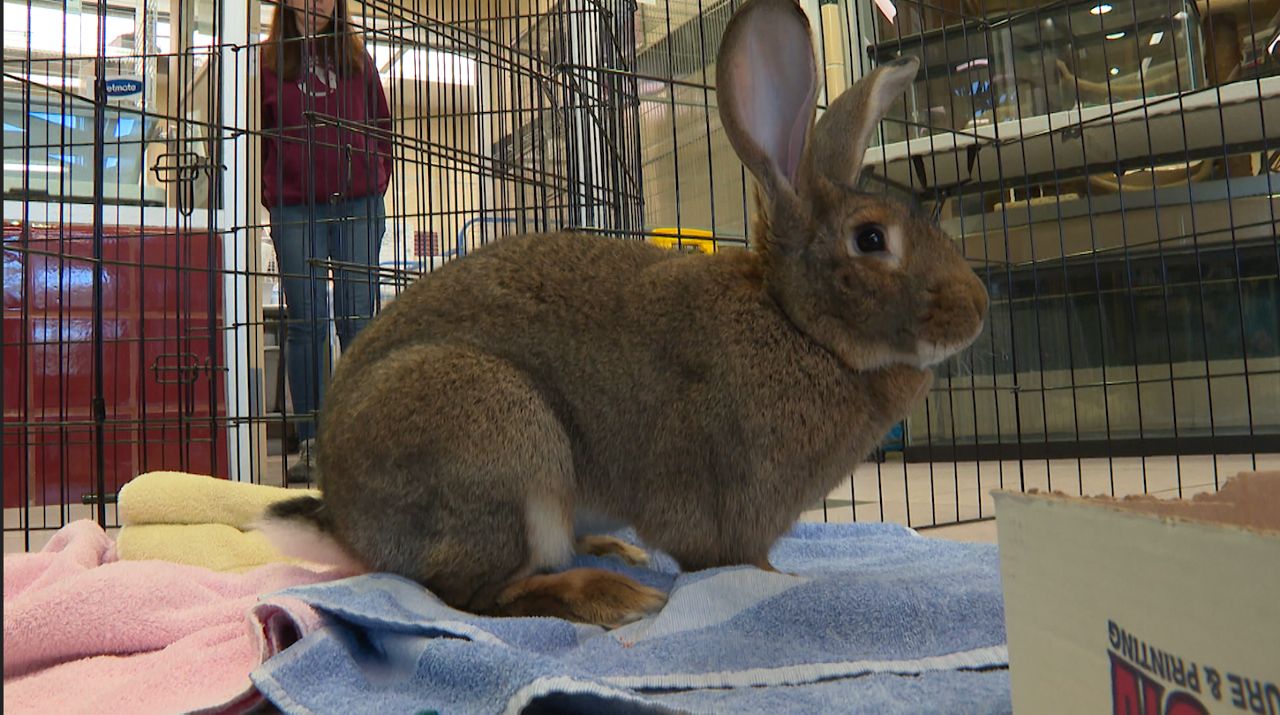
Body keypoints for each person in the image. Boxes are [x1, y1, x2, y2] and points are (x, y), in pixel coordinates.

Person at [261, 0, 392, 482]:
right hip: (296, 207)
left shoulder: (358, 59)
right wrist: (273, 192)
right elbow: (257, 137)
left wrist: (376, 177)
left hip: (357, 203)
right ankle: (314, 442)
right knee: (307, 320)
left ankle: (361, 439)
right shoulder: (266, 63)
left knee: (357, 317)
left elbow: (382, 125)